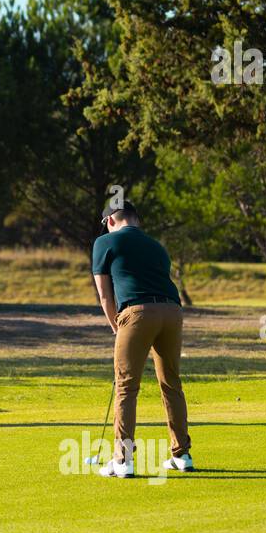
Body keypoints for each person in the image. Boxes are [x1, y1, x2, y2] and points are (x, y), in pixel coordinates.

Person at [91, 200, 194, 478]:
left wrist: (116, 325)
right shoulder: (156, 246)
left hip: (137, 313)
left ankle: (122, 461)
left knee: (126, 386)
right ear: (136, 219)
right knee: (171, 384)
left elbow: (104, 294)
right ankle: (182, 454)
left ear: (110, 221)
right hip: (172, 312)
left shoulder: (105, 242)